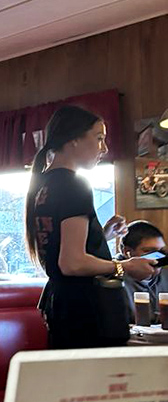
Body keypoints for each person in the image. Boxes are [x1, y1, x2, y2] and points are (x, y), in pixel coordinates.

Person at [25, 105, 156, 349]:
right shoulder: (74, 186)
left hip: (63, 307)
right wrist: (124, 266)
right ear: (73, 139)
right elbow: (72, 263)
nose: (104, 149)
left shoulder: (45, 184)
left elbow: (58, 248)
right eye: (98, 139)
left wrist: (102, 236)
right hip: (86, 311)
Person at [119, 220, 168, 322]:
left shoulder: (165, 275)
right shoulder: (115, 280)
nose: (157, 257)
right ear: (127, 252)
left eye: (161, 251)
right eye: (148, 251)